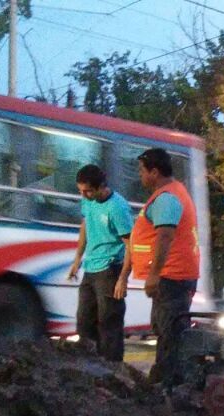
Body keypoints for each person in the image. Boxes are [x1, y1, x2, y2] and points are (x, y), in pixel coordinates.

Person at [116, 148, 201, 387]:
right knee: (166, 329)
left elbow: (165, 236)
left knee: (170, 333)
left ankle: (167, 386)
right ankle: (167, 383)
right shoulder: (171, 193)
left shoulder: (167, 198)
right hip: (173, 275)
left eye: (142, 171)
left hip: (172, 276)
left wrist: (154, 275)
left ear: (154, 172)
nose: (140, 175)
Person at [67, 164, 132, 362]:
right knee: (84, 322)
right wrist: (77, 260)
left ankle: (113, 369)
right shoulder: (88, 201)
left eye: (87, 191)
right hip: (91, 267)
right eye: (80, 191)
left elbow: (131, 244)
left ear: (101, 186)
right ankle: (89, 367)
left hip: (110, 269)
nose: (84, 195)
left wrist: (123, 278)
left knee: (108, 324)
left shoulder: (117, 207)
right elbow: (85, 225)